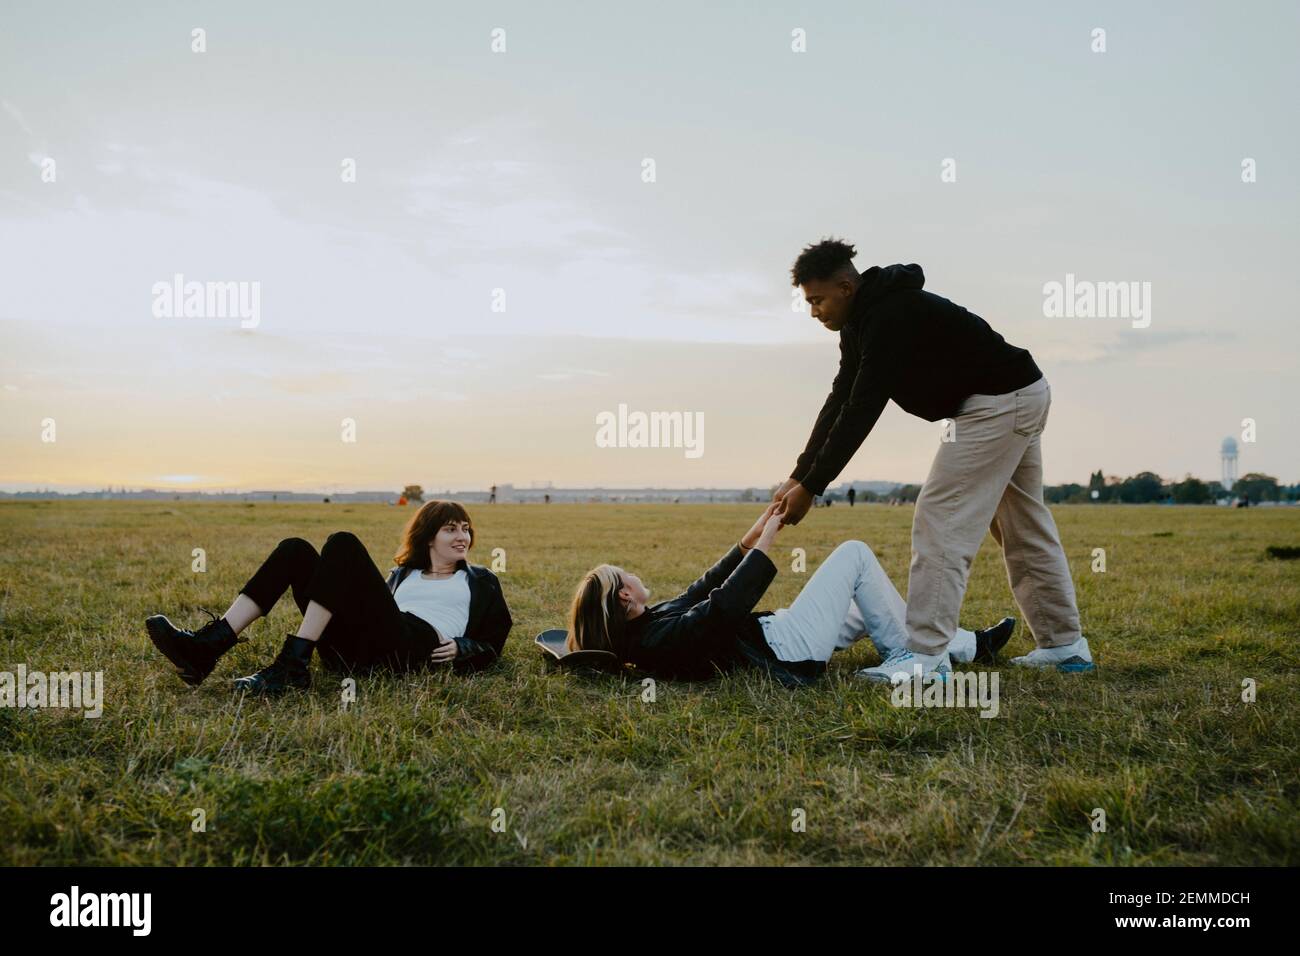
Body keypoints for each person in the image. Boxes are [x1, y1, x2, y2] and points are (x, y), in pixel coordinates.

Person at [772, 238, 1093, 680]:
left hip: (998, 403)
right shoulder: (858, 323)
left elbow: (862, 410)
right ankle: (1065, 647)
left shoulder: (889, 317)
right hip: (1019, 394)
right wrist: (798, 475)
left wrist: (813, 487)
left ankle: (925, 658)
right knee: (1023, 526)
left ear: (846, 286)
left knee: (940, 517)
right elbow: (840, 398)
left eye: (817, 300)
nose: (814, 312)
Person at [564, 503, 1015, 686]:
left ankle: (966, 645)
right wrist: (769, 541)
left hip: (781, 633)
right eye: (627, 572)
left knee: (866, 604)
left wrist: (753, 533)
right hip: (787, 648)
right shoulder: (653, 640)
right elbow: (721, 609)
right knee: (855, 554)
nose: (635, 573)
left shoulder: (650, 624)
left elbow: (705, 586)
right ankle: (914, 667)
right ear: (625, 595)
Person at [145, 500, 512, 695]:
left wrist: (463, 647)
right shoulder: (401, 575)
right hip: (360, 651)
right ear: (429, 537)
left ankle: (293, 664)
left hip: (416, 646)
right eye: (450, 529)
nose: (462, 536)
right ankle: (209, 645)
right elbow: (372, 611)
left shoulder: (481, 580)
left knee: (343, 543)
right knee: (295, 550)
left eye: (465, 529)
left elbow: (496, 638)